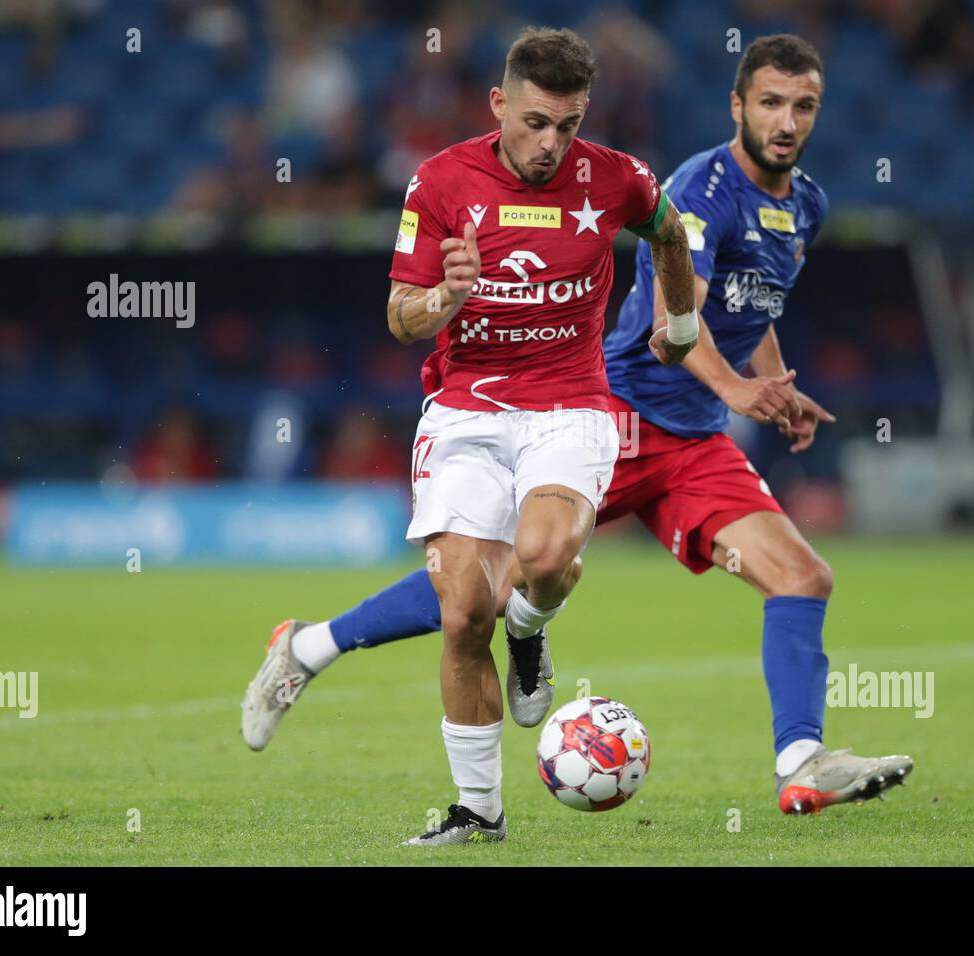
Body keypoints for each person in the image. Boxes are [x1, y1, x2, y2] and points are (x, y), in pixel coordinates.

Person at [243, 33, 915, 827]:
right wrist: (734, 384)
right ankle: (326, 649)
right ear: (737, 105)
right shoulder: (700, 188)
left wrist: (771, 380)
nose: (787, 120)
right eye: (771, 102)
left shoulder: (804, 205)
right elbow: (681, 315)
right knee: (483, 586)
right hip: (623, 413)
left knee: (802, 576)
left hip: (688, 436)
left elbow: (745, 306)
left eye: (804, 106)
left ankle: (802, 763)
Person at [241, 27, 699, 845]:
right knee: (461, 614)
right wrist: (443, 302)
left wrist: (683, 320)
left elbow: (668, 234)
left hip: (569, 404)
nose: (551, 143)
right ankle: (478, 810)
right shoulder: (441, 181)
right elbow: (398, 317)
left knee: (546, 559)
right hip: (467, 410)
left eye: (568, 124)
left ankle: (528, 629)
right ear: (498, 104)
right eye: (535, 122)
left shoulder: (619, 178)